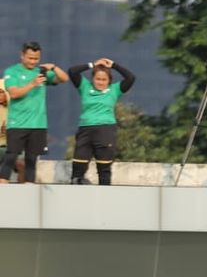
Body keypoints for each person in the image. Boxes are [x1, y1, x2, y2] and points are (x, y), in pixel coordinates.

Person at [1, 41, 65, 185]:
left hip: (38, 124)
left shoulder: (40, 72)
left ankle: (29, 189)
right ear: (22, 55)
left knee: (31, 159)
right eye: (30, 58)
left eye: (36, 58)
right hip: (17, 123)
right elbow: (14, 93)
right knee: (10, 157)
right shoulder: (12, 72)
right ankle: (3, 188)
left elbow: (64, 79)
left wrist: (53, 67)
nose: (33, 61)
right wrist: (33, 84)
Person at [67, 57, 135, 185]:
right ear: (92, 79)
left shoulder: (114, 90)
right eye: (98, 79)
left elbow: (130, 78)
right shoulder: (85, 87)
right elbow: (72, 71)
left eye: (104, 80)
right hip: (85, 130)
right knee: (78, 167)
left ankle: (105, 199)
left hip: (105, 130)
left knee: (104, 168)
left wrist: (114, 65)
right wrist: (92, 64)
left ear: (109, 81)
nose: (100, 82)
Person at [0, 77, 26, 182]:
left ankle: (23, 192)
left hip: (13, 147)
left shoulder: (16, 110)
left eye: (1, 92)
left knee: (22, 164)